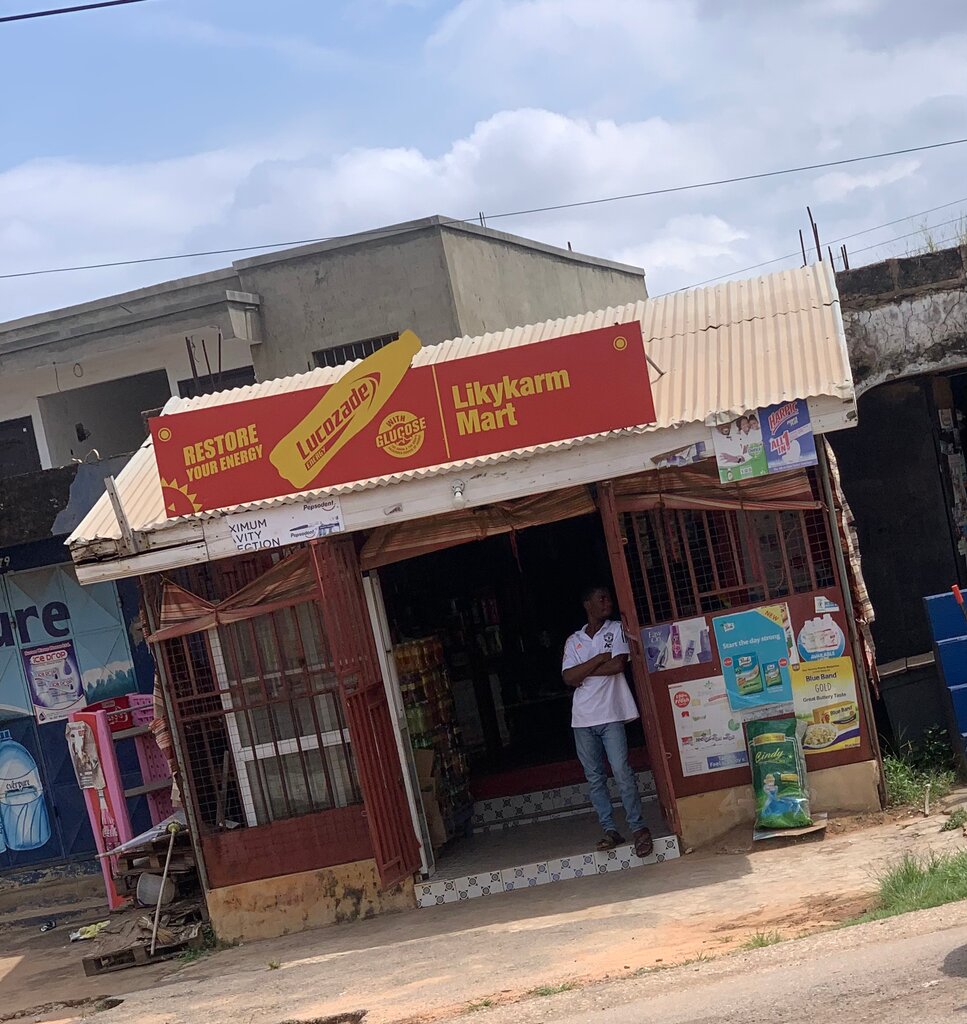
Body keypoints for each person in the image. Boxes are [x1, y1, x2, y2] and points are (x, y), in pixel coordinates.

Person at [562, 585, 653, 858]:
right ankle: (610, 829)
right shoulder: (573, 640)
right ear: (587, 604)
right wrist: (600, 657)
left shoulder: (615, 630)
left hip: (611, 715)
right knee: (595, 778)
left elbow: (617, 666)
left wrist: (586, 669)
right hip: (582, 719)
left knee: (621, 771)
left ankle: (638, 828)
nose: (607, 602)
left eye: (608, 598)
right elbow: (568, 677)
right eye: (601, 598)